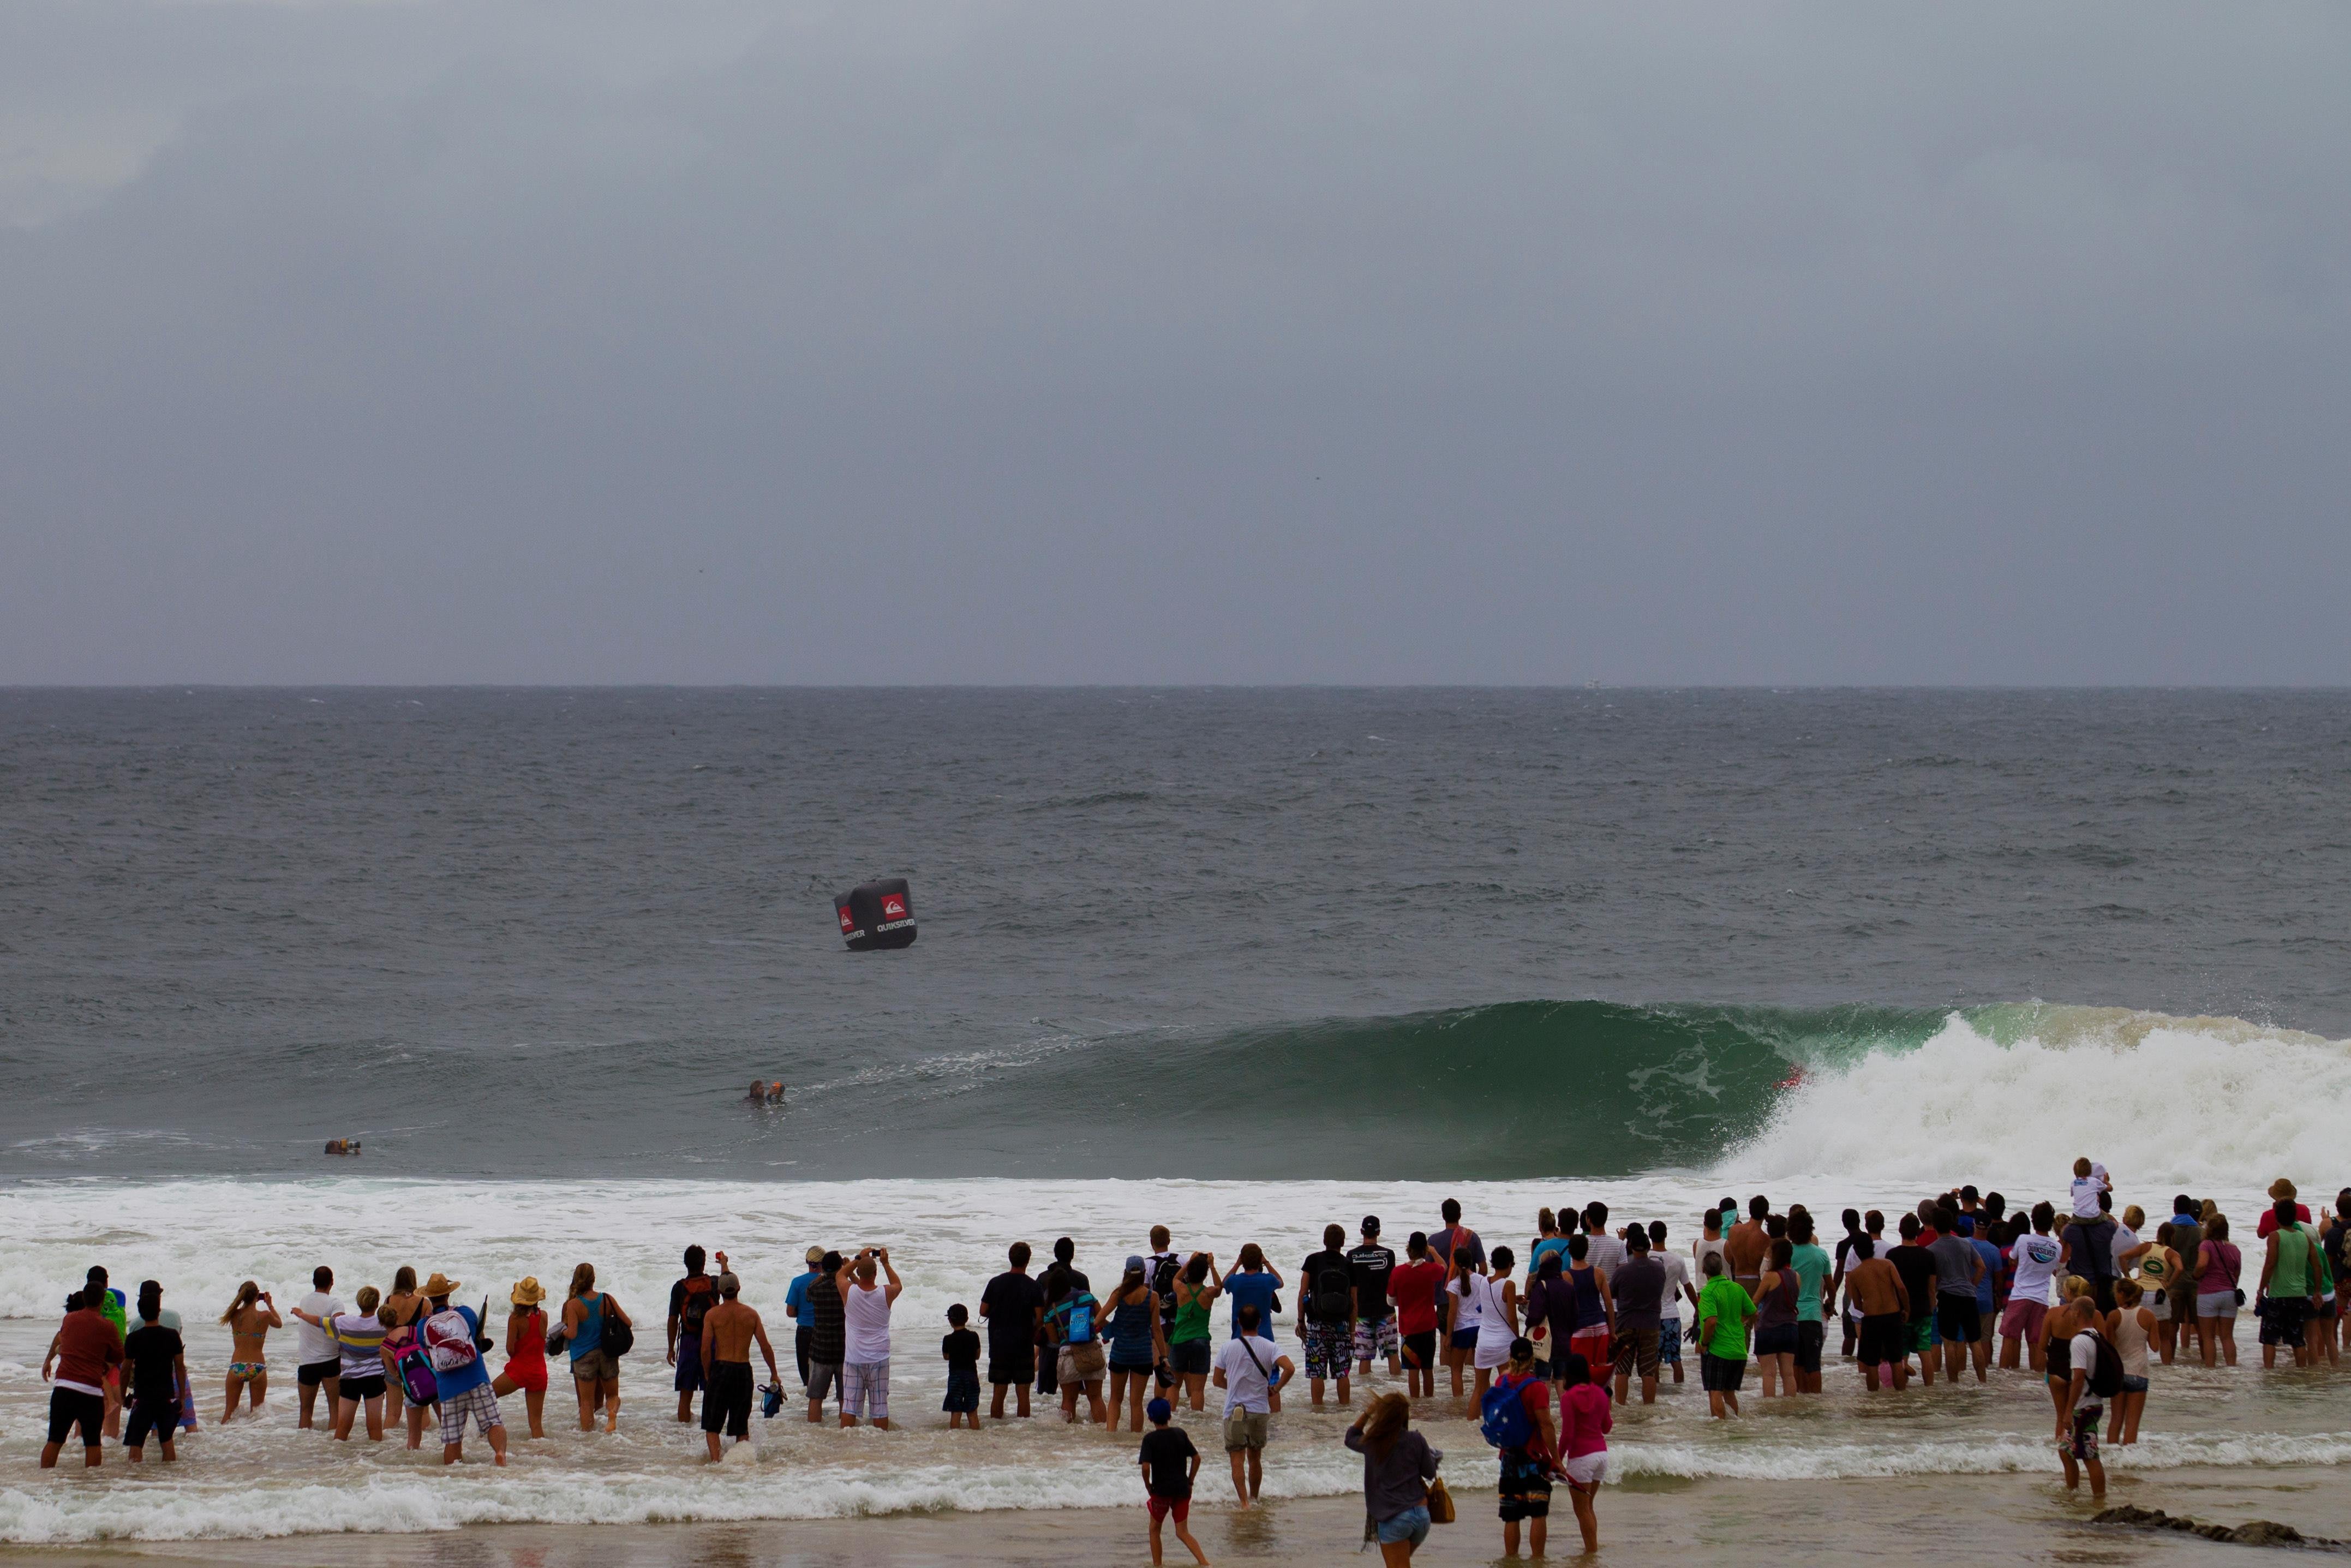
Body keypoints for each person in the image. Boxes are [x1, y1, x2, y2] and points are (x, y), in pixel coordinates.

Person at [415, 1273, 505, 1465]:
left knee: (452, 1440)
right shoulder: (466, 1313)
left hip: (448, 1388)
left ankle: (454, 1475)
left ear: (429, 1298)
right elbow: (475, 1337)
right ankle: (500, 1453)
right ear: (448, 1295)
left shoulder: (423, 1326)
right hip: (476, 1379)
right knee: (493, 1423)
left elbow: (428, 1351)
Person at [1212, 1303, 1293, 1507]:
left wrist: (1233, 1388)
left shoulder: (1227, 1348)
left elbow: (1216, 1380)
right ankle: (1255, 1497)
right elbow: (1290, 1368)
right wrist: (1276, 1389)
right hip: (1259, 1410)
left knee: (1237, 1459)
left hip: (1234, 1410)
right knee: (1255, 1459)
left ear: (1238, 1323)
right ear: (1259, 1322)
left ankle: (1244, 1503)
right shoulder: (1270, 1346)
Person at [1348, 1390, 1440, 1566]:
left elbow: (1351, 1436)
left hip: (1395, 1518)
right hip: (1421, 1516)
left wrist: (1368, 1412)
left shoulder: (1372, 1442)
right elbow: (1430, 1474)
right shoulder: (1416, 1439)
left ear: (1382, 1416)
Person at [292, 1285, 388, 1441]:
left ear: (358, 1303)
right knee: (375, 1428)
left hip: (350, 1379)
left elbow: (319, 1322)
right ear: (377, 1304)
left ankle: (337, 1460)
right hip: (375, 1378)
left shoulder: (345, 1323)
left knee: (343, 1429)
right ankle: (374, 1462)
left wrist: (301, 1314)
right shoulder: (382, 1325)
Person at [698, 1271, 778, 1460]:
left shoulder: (712, 1315)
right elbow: (765, 1347)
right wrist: (774, 1373)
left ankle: (717, 1464)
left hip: (721, 1370)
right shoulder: (751, 1314)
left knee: (712, 1426)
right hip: (743, 1371)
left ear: (719, 1291)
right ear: (739, 1289)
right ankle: (742, 1463)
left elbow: (705, 1350)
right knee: (741, 1425)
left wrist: (708, 1374)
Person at [1487, 1337, 1554, 1559]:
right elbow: (1546, 1425)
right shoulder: (1537, 1387)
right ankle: (1538, 1560)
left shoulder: (1500, 1383)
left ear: (1511, 1357)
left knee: (1511, 1515)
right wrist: (1555, 1459)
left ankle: (1511, 1559)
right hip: (1534, 1456)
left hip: (1508, 1456)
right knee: (1538, 1512)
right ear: (1532, 1358)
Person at [41, 1288, 121, 1469]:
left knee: (54, 1440)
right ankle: (90, 1486)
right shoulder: (108, 1326)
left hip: (63, 1388)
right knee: (93, 1444)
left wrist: (50, 1359)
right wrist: (104, 1363)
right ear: (101, 1302)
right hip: (90, 1391)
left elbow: (61, 1339)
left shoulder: (69, 1319)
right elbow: (118, 1355)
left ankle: (44, 1479)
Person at [559, 1262, 631, 1433]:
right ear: (594, 1279)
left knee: (586, 1403)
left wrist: (562, 1333)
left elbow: (573, 1333)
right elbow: (628, 1322)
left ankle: (588, 1439)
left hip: (583, 1357)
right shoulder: (606, 1299)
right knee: (612, 1395)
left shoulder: (573, 1305)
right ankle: (612, 1414)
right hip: (607, 1354)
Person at [837, 1246, 902, 1430]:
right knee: (880, 1407)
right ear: (875, 1273)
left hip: (854, 1357)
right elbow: (898, 1285)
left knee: (849, 1407)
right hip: (879, 1358)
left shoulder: (849, 1291)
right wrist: (886, 1263)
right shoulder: (886, 1292)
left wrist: (859, 1258)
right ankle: (881, 1444)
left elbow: (840, 1275)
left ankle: (846, 1443)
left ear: (859, 1272)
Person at [121, 1282, 186, 1464]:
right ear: (159, 1311)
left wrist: (122, 1395)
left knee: (136, 1444)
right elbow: (180, 1368)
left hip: (143, 1399)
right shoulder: (173, 1336)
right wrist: (181, 1397)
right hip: (165, 1397)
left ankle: (136, 1481)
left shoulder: (134, 1338)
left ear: (140, 1313)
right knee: (167, 1442)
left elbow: (126, 1369)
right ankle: (167, 1479)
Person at [1139, 1397, 1208, 1566]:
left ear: (1150, 1418)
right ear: (1170, 1416)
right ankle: (1205, 1563)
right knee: (1183, 1532)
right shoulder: (1180, 1434)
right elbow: (1197, 1458)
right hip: (1182, 1490)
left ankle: (1158, 1565)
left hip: (1161, 1492)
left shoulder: (1149, 1439)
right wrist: (1190, 1481)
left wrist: (1148, 1486)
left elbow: (1146, 1467)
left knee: (1155, 1529)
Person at [1044, 1247, 1109, 1426]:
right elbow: (1101, 1320)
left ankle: (1070, 1440)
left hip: (1068, 1354)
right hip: (1092, 1351)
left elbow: (1054, 1340)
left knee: (1069, 1400)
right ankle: (1103, 1432)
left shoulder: (1051, 1310)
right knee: (1096, 1398)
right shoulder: (1087, 1297)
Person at [1556, 1351, 1611, 1555]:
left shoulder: (1568, 1398)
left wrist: (1557, 1460)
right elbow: (1607, 1428)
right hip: (1601, 1456)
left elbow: (1568, 1434)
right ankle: (1593, 1549)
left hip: (1581, 1458)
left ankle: (1591, 1553)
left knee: (1582, 1510)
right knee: (1589, 1506)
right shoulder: (1600, 1393)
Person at [2057, 1291, 2111, 1499]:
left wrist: (2068, 1410)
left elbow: (2078, 1376)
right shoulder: (2096, 1336)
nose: (2070, 1316)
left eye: (2072, 1312)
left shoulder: (2080, 1341)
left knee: (2090, 1456)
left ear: (2078, 1312)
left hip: (2084, 1406)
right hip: (2093, 1403)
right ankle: (2073, 1492)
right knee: (2066, 1451)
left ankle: (2099, 1498)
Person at [2258, 1196, 2322, 1369]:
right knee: (2297, 1339)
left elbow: (2270, 1264)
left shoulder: (2275, 1237)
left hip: (2279, 1294)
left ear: (2276, 1217)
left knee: (2270, 1338)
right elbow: (2318, 1266)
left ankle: (2269, 1373)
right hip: (2299, 1295)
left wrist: (2260, 1290)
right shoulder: (2305, 1238)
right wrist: (2317, 1291)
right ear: (2295, 1217)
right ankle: (2301, 1371)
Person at [1104, 1256, 1167, 1431]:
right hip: (1143, 1355)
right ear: (1144, 1273)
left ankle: (1110, 1435)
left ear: (1126, 1273)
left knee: (1115, 1399)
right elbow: (1157, 1331)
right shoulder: (1152, 1297)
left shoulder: (1119, 1294)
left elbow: (1099, 1319)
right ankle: (1136, 1440)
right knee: (1136, 1403)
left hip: (1120, 1354)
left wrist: (1112, 1329)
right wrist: (1164, 1357)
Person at [979, 1241, 1042, 1419]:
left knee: (999, 1391)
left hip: (999, 1344)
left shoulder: (995, 1283)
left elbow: (983, 1311)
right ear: (1027, 1261)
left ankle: (996, 1427)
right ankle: (1022, 1430)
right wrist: (1032, 1331)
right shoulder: (1033, 1286)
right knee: (1023, 1393)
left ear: (1010, 1259)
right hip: (1023, 1345)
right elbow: (1040, 1318)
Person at [1927, 1206, 1987, 1384]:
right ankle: (1983, 1381)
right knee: (1975, 1342)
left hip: (1947, 1297)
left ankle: (1954, 1382)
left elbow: (1932, 1282)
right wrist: (1972, 1286)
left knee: (1949, 1343)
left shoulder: (1932, 1250)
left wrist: (1933, 1301)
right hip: (1969, 1296)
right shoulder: (1965, 1243)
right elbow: (1981, 1267)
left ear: (1935, 1227)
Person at [1299, 1223, 1357, 1408]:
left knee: (1317, 1372)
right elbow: (1354, 1302)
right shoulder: (1349, 1265)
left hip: (1317, 1324)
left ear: (1325, 1241)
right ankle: (1345, 1408)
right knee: (1342, 1372)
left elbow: (1303, 1293)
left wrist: (1301, 1321)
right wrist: (1353, 1332)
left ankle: (1317, 1410)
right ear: (1343, 1242)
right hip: (1341, 1326)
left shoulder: (1313, 1260)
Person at [2001, 1204, 2064, 1370]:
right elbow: (2055, 1269)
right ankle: (2037, 1382)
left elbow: (2012, 1259)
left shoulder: (2023, 1240)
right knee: (2036, 1342)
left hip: (2020, 1295)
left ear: (2033, 1221)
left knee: (2009, 1338)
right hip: (2041, 1298)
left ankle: (2002, 1379)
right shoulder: (2057, 1247)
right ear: (2051, 1223)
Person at [1842, 1237, 1911, 1391]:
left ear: (1857, 1254)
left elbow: (1857, 1304)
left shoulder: (1855, 1274)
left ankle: (1873, 1400)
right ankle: (1900, 1395)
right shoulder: (1888, 1264)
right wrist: (1906, 1309)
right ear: (1872, 1249)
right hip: (1893, 1316)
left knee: (1872, 1364)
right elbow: (1901, 1289)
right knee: (1896, 1360)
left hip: (1872, 1320)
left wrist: (1869, 1309)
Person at [1456, 1243, 1519, 1408]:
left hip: (1483, 1341)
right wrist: (1518, 1339)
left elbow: (1490, 1303)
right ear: (1510, 1264)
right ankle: (1504, 1425)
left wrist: (1513, 1298)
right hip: (1503, 1343)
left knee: (1479, 1389)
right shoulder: (1509, 1285)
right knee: (1507, 1388)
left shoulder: (1484, 1281)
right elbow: (1512, 1319)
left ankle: (1471, 1423)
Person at [1431, 1199, 1483, 1396]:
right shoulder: (1471, 1236)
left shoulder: (1434, 1241)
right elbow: (1484, 1268)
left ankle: (1447, 1386)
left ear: (1443, 1216)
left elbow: (1432, 1270)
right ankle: (1472, 1387)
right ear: (1460, 1214)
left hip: (1444, 1298)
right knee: (1470, 1345)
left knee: (1447, 1341)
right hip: (1472, 1299)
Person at [1607, 1228, 1665, 1405]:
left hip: (1626, 1323)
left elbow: (1611, 1294)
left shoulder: (1622, 1271)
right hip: (1651, 1324)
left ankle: (1622, 1407)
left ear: (1630, 1246)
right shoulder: (1659, 1269)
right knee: (1648, 1371)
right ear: (1649, 1247)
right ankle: (1649, 1409)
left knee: (1623, 1371)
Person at [1695, 1253, 1754, 1419]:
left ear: (1704, 1270)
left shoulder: (1708, 1292)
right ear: (1722, 1269)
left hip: (1717, 1350)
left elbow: (1711, 1322)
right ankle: (1734, 1426)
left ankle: (1720, 1430)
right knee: (1730, 1393)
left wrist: (1705, 1343)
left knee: (1715, 1392)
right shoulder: (1737, 1288)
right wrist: (1736, 1322)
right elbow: (1752, 1312)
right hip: (1738, 1349)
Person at [1886, 1213, 1940, 1385]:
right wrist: (1931, 1309)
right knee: (1926, 1352)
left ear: (1900, 1231)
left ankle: (1902, 1391)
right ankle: (1929, 1389)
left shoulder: (1892, 1255)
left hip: (1901, 1312)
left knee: (1902, 1355)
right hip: (1923, 1309)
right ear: (1918, 1232)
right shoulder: (1928, 1255)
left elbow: (1892, 1288)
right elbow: (1932, 1289)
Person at [493, 1277, 550, 1438]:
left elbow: (510, 1350)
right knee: (536, 1424)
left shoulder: (515, 1319)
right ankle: (543, 1454)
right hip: (539, 1372)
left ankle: (485, 1435)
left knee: (489, 1396)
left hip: (520, 1369)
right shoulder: (544, 1316)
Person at [1166, 1253, 1223, 1411]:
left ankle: (1169, 1417)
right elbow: (1220, 1287)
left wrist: (1190, 1262)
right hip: (1201, 1341)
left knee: (1174, 1386)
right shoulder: (1208, 1293)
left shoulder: (1182, 1290)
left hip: (1180, 1341)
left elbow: (1176, 1279)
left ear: (1189, 1273)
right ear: (1205, 1275)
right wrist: (1212, 1265)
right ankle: (1197, 1419)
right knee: (1198, 1390)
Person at [668, 1244, 717, 1425]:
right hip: (710, 1342)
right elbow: (732, 1284)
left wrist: (670, 1348)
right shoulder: (714, 1283)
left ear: (685, 1264)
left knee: (685, 1393)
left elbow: (673, 1319)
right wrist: (724, 1264)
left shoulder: (679, 1288)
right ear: (704, 1263)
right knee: (710, 1390)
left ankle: (683, 1434)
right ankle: (709, 1431)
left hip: (688, 1342)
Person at [218, 1280, 280, 1422]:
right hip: (257, 1367)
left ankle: (222, 1439)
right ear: (257, 1297)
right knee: (257, 1415)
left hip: (237, 1367)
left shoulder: (234, 1315)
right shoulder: (265, 1315)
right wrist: (270, 1305)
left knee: (229, 1413)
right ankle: (254, 1442)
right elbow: (279, 1323)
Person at [294, 1265, 345, 1431]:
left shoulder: (304, 1301)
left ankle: (304, 1448)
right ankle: (333, 1446)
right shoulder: (335, 1303)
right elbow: (340, 1326)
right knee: (335, 1409)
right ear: (332, 1282)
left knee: (305, 1412)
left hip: (307, 1362)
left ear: (314, 1282)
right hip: (330, 1360)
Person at [2106, 1277, 2156, 1446]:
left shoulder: (2114, 1316)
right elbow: (2155, 1347)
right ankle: (2128, 1460)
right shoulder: (2148, 1315)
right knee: (2132, 1425)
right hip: (2140, 1372)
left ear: (2122, 1294)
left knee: (2116, 1420)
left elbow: (2110, 1347)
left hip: (2119, 1372)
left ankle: (2112, 1458)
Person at [1350, 1216, 1401, 1379]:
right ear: (1379, 1232)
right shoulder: (1389, 1254)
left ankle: (1366, 1391)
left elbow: (1350, 1287)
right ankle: (1397, 1388)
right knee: (1392, 1354)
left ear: (1361, 1232)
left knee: (1365, 1358)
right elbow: (1392, 1283)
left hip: (1362, 1312)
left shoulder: (1351, 1255)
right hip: (1386, 1311)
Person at [1787, 1212, 1832, 1393]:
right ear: (1810, 1230)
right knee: (1814, 1364)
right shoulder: (1821, 1254)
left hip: (1792, 1316)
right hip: (1813, 1315)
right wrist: (1831, 1305)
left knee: (1796, 1362)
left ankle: (1801, 1398)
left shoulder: (1786, 1253)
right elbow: (1831, 1285)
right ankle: (1815, 1399)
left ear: (1790, 1232)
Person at [378, 1266, 429, 1428]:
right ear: (414, 1281)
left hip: (393, 1356)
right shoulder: (424, 1302)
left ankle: (386, 1443)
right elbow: (428, 1331)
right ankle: (427, 1444)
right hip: (418, 1359)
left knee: (392, 1412)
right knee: (424, 1410)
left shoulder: (389, 1301)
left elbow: (383, 1329)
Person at [1750, 1238, 1799, 1397]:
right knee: (1789, 1374)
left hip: (1769, 1330)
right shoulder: (1796, 1276)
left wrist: (1746, 1319)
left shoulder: (1770, 1276)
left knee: (1769, 1374)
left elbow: (1755, 1302)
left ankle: (1770, 1410)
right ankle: (1790, 1407)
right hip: (1791, 1329)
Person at [1562, 1234, 1614, 1380]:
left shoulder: (1566, 1276)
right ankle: (1604, 1402)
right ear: (1587, 1250)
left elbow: (1565, 1309)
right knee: (1601, 1375)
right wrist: (1613, 1331)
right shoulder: (1599, 1273)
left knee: (1578, 1376)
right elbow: (1609, 1304)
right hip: (1601, 1326)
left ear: (1570, 1252)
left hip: (1580, 1329)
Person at [804, 1249, 846, 1422]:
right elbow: (854, 1286)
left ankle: (814, 1433)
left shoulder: (815, 1288)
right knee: (846, 1399)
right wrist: (845, 1271)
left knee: (816, 1398)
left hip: (820, 1349)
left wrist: (824, 1274)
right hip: (844, 1350)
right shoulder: (846, 1289)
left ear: (822, 1267)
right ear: (840, 1267)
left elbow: (809, 1292)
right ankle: (846, 1433)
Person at [2194, 1216, 2241, 1368]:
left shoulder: (2206, 1245)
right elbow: (2236, 1273)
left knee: (2209, 1337)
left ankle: (2211, 1369)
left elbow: (2202, 1265)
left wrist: (2195, 1275)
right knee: (2227, 1337)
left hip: (2208, 1293)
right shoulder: (2234, 1249)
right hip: (2229, 1294)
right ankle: (2231, 1368)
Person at [2063, 1193, 2121, 1314]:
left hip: (2078, 1285)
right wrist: (2099, 1210)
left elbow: (2063, 1231)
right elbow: (2116, 1223)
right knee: (2099, 1321)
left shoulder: (2073, 1230)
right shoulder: (2107, 1227)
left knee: (2078, 1320)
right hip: (2101, 1285)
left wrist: (2078, 1212)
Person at [1651, 1220, 1694, 1386]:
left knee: (1654, 1362)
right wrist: (1698, 1309)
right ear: (1666, 1235)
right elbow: (1688, 1287)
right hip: (1672, 1316)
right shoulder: (1677, 1259)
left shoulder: (1646, 1258)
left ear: (1650, 1236)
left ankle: (1655, 1395)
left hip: (1652, 1317)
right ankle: (1679, 1392)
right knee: (1676, 1359)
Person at [1145, 1226, 1184, 1401]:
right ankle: (1192, 1412)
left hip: (1160, 1324)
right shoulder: (1182, 1260)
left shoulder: (1148, 1264)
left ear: (1151, 1243)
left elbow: (1145, 1297)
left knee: (1163, 1369)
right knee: (1187, 1373)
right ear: (1169, 1241)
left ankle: (1160, 1407)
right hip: (1183, 1322)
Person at [1222, 1245, 1283, 1352]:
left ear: (1242, 1260)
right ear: (1260, 1260)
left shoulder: (1235, 1281)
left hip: (1239, 1339)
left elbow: (1224, 1283)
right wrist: (1266, 1262)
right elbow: (1280, 1282)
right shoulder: (1268, 1280)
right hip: (1265, 1338)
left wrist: (1237, 1264)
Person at [785, 1245, 825, 1393]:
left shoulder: (797, 1282)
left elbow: (790, 1312)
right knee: (824, 1374)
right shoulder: (830, 1282)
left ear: (807, 1262)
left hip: (804, 1331)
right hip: (824, 1331)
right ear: (823, 1263)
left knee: (807, 1377)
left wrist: (802, 1313)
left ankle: (810, 1408)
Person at [942, 1304, 982, 1429]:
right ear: (967, 1319)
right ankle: (976, 1438)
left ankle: (955, 1441)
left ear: (950, 1320)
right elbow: (977, 1355)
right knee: (972, 1412)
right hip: (971, 1377)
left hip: (955, 1377)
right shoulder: (974, 1336)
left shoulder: (948, 1339)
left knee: (956, 1412)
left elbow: (946, 1356)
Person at [1725, 1195, 1770, 1299]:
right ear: (1765, 1214)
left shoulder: (1733, 1231)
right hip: (1756, 1283)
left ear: (1750, 1210)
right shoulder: (1766, 1239)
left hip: (1737, 1281)